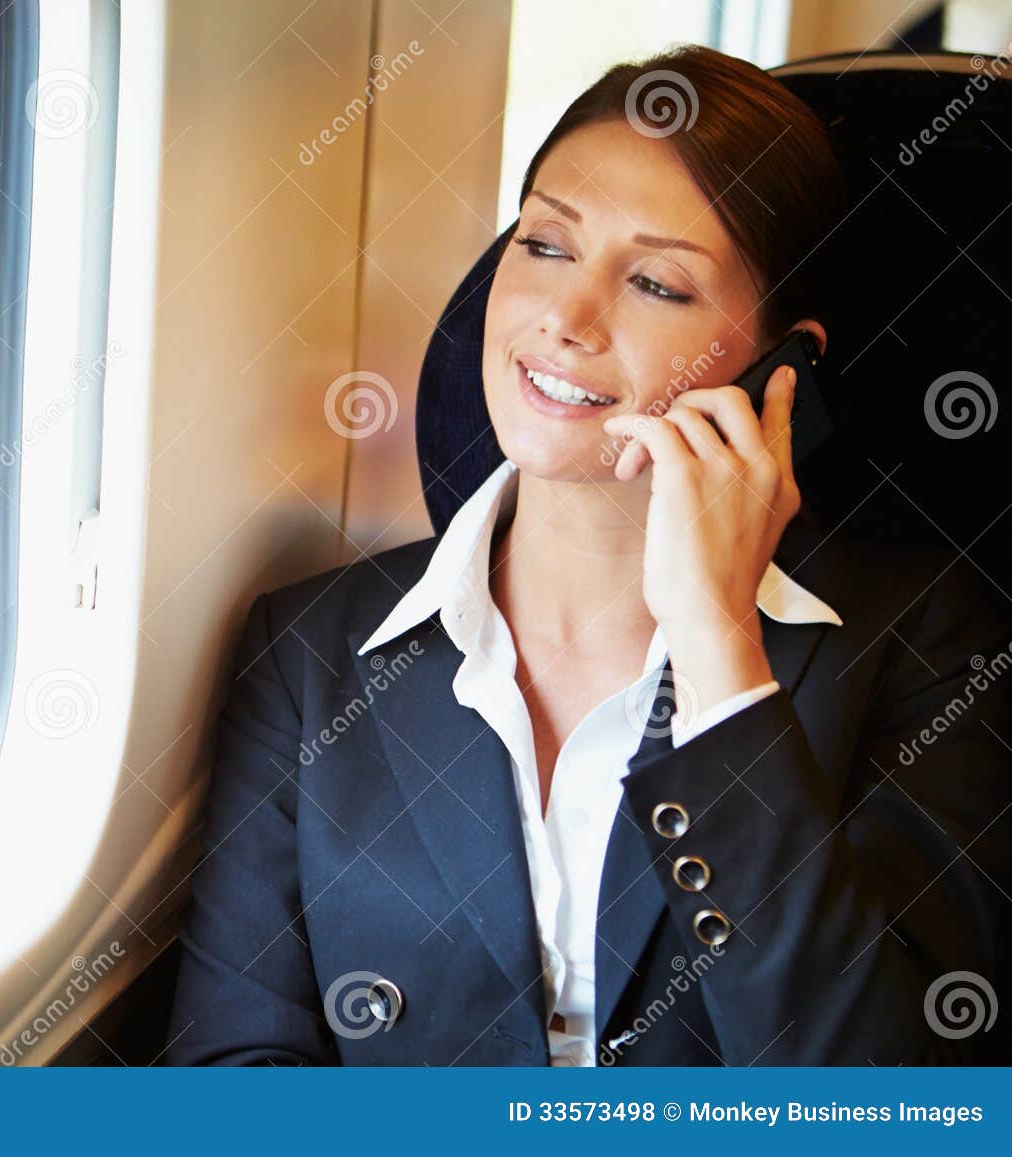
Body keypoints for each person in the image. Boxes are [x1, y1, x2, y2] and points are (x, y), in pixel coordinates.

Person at [164, 44, 1012, 1066]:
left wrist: (719, 651)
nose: (563, 321)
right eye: (546, 246)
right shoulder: (308, 648)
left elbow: (897, 1097)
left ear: (782, 367)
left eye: (654, 282)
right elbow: (234, 1073)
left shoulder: (921, 643)